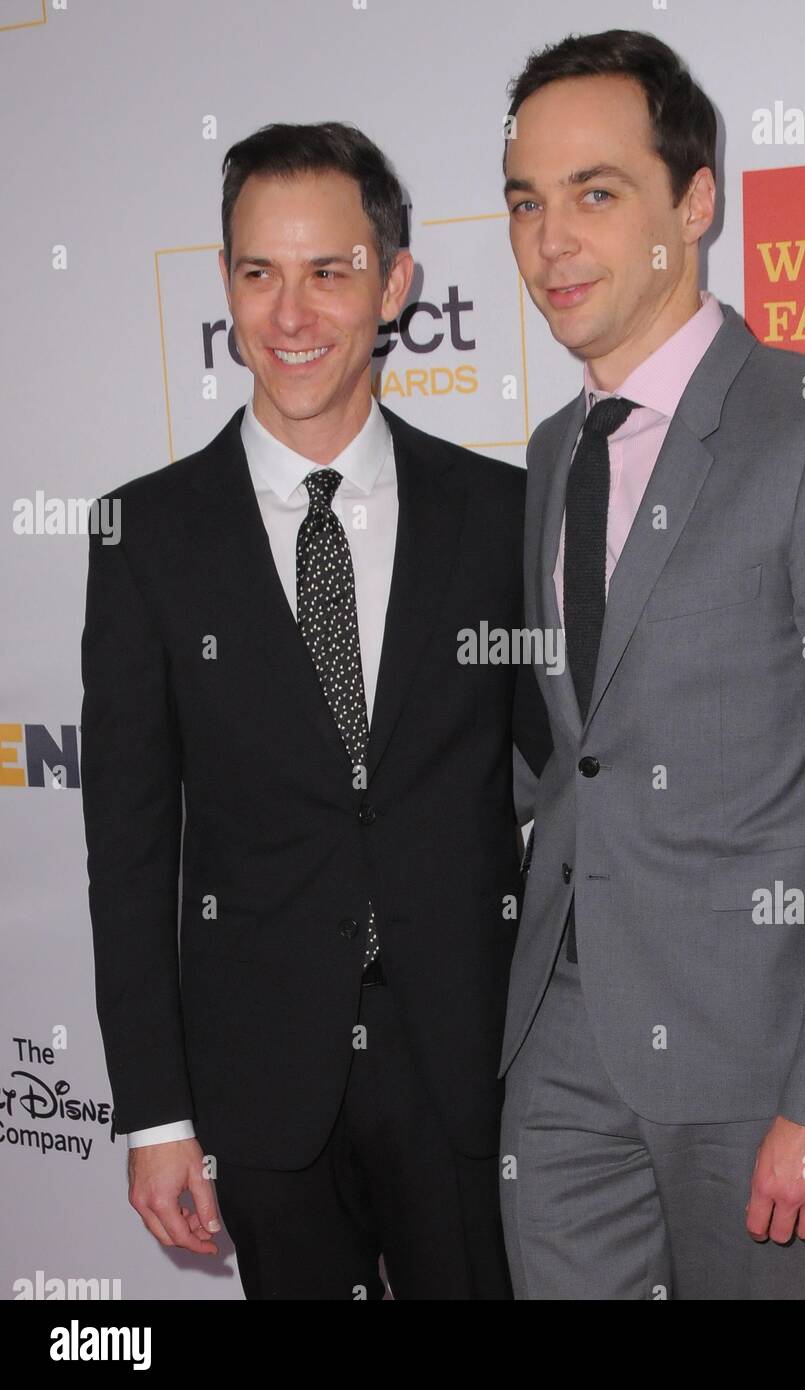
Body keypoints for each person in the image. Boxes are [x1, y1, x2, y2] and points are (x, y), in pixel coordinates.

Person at [497, 30, 805, 1299]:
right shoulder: (547, 454)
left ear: (692, 204)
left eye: (596, 193)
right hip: (560, 1041)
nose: (550, 241)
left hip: (759, 1056)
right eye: (526, 201)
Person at [81, 121, 550, 1300]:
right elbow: (128, 854)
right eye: (258, 272)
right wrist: (153, 1117)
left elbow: (574, 787)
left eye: (328, 271)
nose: (290, 314)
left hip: (470, 1062)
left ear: (392, 284)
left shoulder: (501, 514)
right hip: (258, 1079)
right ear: (228, 287)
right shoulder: (146, 538)